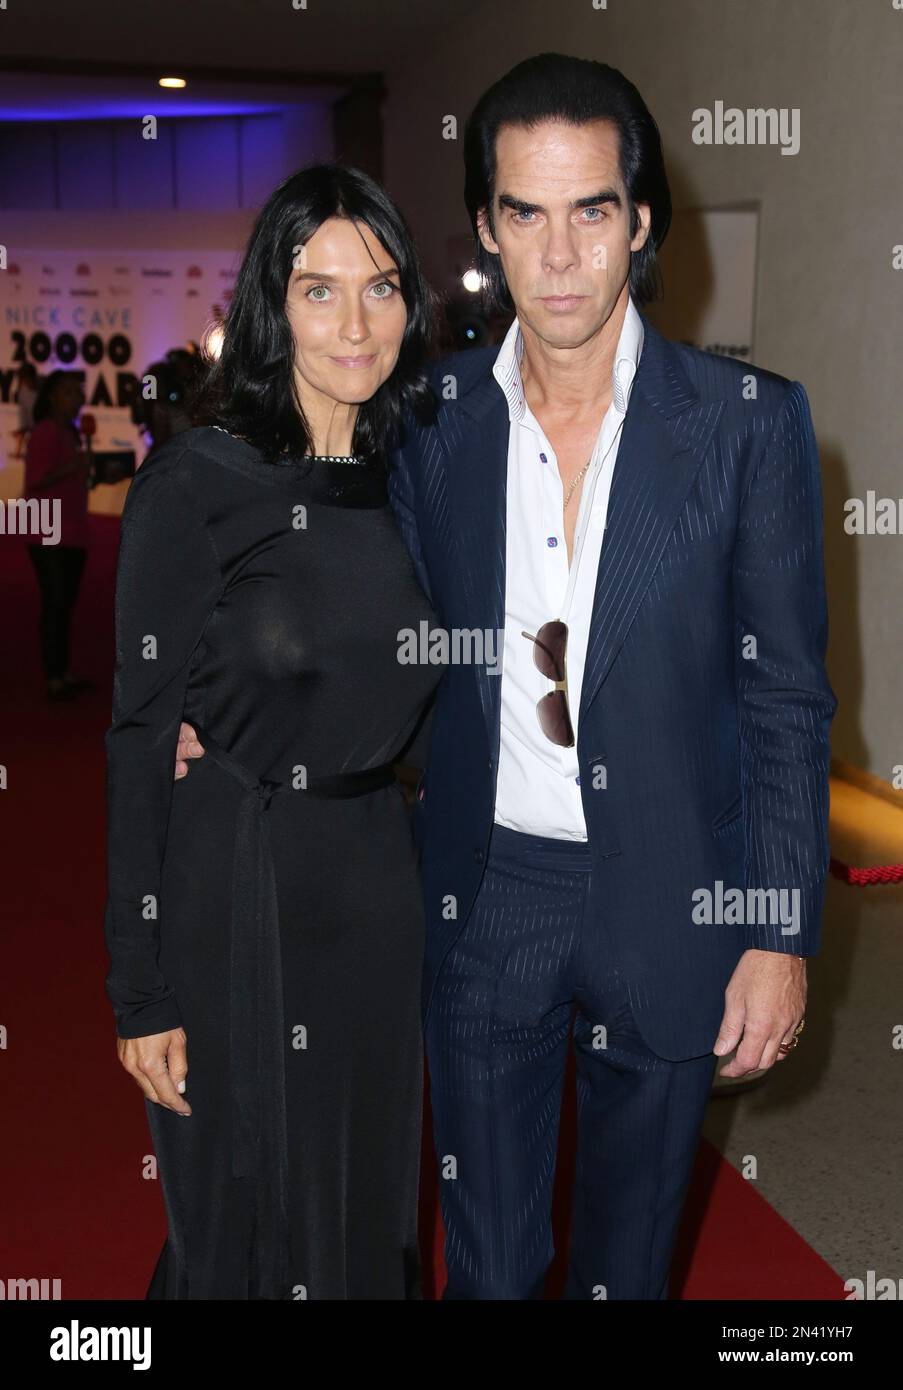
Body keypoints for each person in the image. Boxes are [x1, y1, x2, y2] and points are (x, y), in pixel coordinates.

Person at [178, 54, 836, 1301]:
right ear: (486, 229)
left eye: (593, 210)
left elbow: (788, 700)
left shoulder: (752, 426)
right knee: (486, 1269)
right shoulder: (428, 422)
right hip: (488, 896)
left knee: (629, 1266)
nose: (562, 254)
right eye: (525, 215)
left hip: (672, 893)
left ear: (641, 222)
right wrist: (232, 715)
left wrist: (778, 929)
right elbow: (351, 601)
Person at [104, 163, 440, 1299]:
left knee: (364, 1203)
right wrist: (137, 988)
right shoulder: (196, 484)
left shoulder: (413, 479)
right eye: (319, 289)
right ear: (269, 305)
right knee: (242, 1218)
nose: (356, 323)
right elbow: (139, 741)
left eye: (381, 287)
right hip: (237, 889)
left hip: (377, 891)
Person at [24, 370, 93, 701]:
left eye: (77, 392)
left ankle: (61, 671)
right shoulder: (46, 432)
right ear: (52, 397)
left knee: (64, 604)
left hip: (71, 530)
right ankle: (53, 673)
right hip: (47, 532)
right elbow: (36, 480)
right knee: (55, 602)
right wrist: (74, 466)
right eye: (69, 392)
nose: (77, 398)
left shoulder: (70, 432)